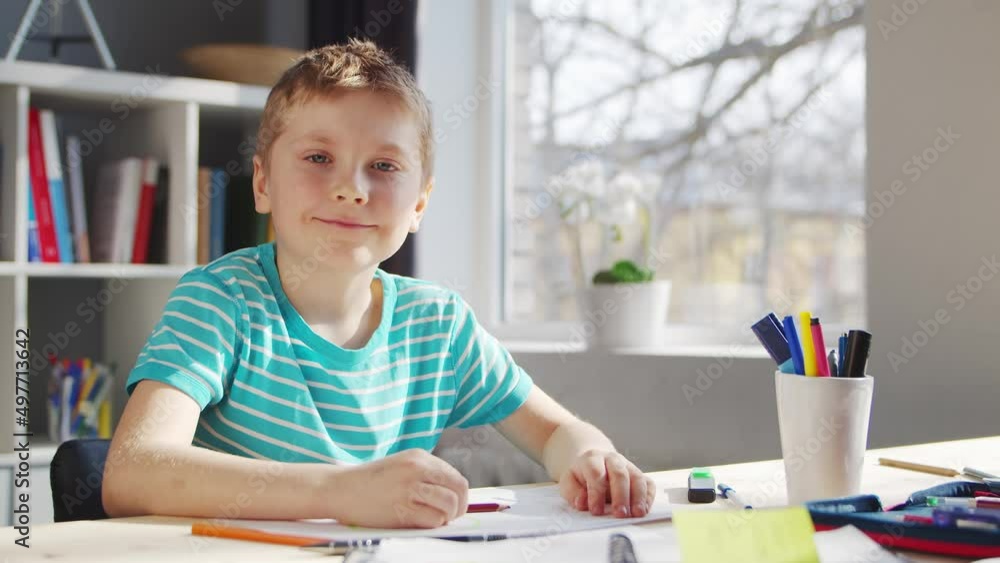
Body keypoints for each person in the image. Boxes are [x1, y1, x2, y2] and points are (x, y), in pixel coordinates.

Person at [102, 39, 656, 528]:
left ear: (419, 203)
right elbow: (132, 472)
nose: (351, 188)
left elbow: (557, 433)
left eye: (385, 166)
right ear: (264, 183)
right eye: (319, 157)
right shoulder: (221, 301)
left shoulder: (438, 324)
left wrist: (592, 457)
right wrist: (340, 491)